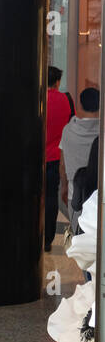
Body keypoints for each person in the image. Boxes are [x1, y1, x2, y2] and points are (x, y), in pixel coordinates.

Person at [61, 86, 98, 234]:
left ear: (80, 105)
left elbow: (62, 164)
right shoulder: (102, 131)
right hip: (98, 194)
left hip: (74, 192)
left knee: (78, 236)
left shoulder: (68, 130)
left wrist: (63, 186)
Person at [46, 66, 75, 252]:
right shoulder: (66, 100)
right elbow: (70, 126)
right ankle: (47, 240)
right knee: (50, 199)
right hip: (55, 158)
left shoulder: (36, 99)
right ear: (57, 82)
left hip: (32, 158)